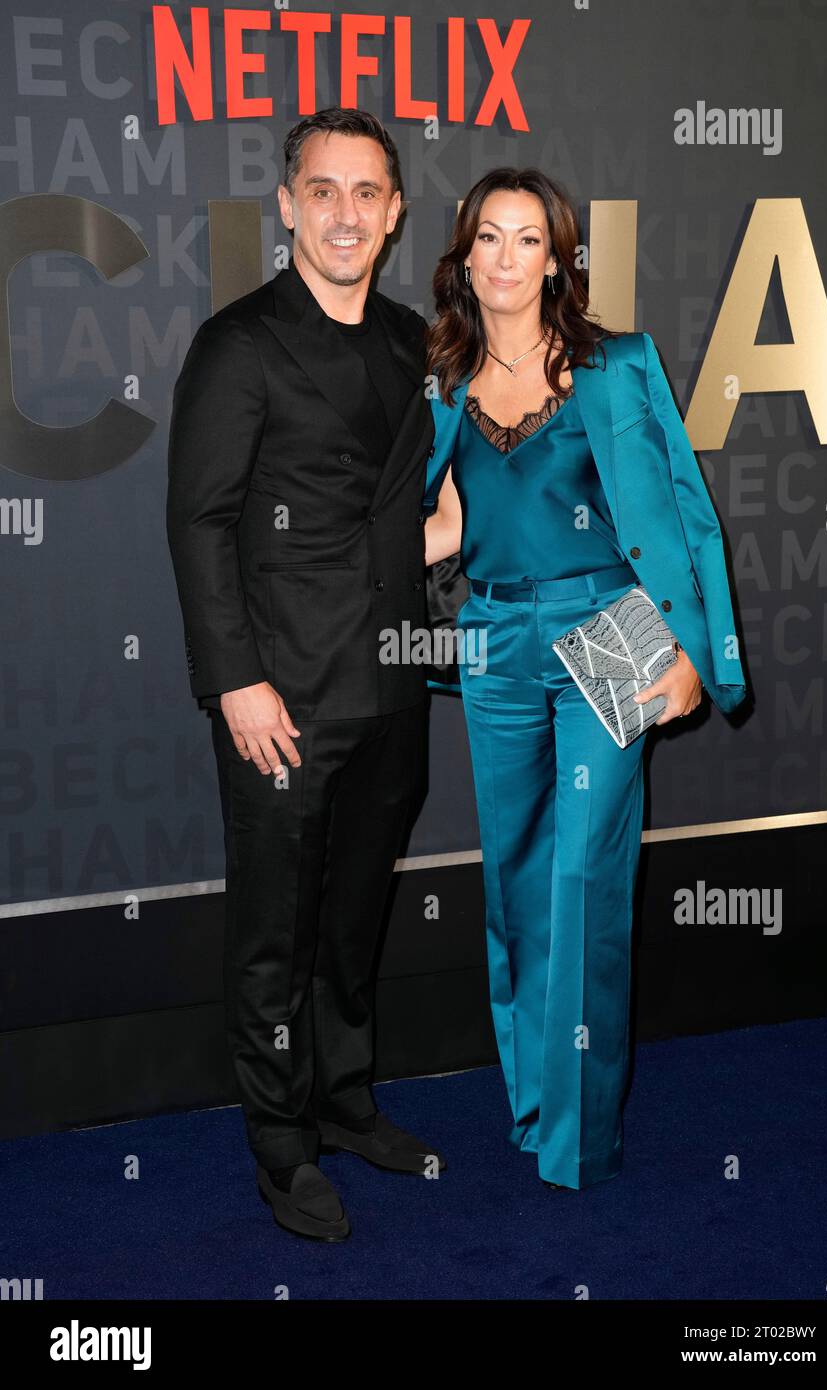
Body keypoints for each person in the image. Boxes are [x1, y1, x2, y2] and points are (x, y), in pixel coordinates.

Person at [422, 168, 747, 1191]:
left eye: (530, 240)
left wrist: (694, 652)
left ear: (558, 259)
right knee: (513, 881)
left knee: (582, 877)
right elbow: (446, 521)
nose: (508, 258)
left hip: (611, 628)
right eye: (490, 237)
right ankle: (530, 1107)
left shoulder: (615, 365)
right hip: (491, 636)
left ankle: (576, 1137)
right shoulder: (439, 377)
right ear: (464, 253)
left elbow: (685, 512)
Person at [166, 108, 445, 1243]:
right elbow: (199, 522)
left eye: (365, 193)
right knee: (277, 930)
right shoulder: (239, 342)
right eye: (320, 191)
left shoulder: (406, 339)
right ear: (286, 205)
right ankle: (280, 1143)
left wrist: (450, 536)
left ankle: (342, 1099)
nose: (343, 213)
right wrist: (235, 681)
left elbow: (394, 514)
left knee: (351, 919)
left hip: (390, 683)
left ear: (392, 213)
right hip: (281, 695)